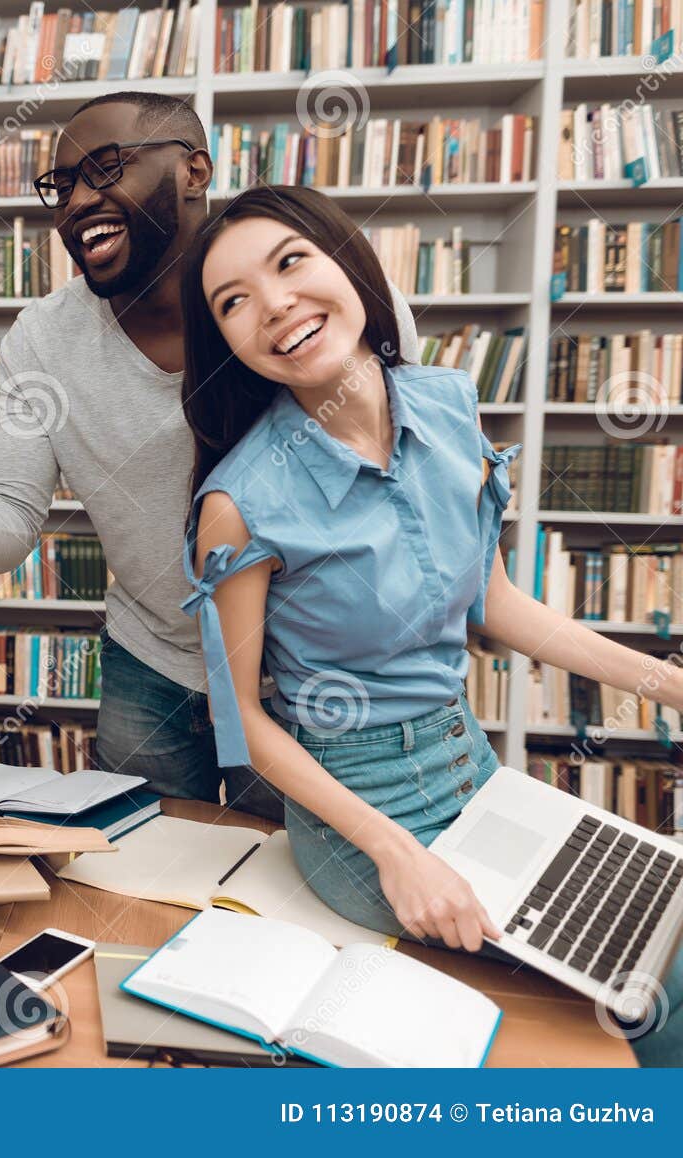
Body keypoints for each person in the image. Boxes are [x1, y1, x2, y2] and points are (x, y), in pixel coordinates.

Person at [179, 184, 682, 1066]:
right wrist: (396, 853)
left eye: (291, 262)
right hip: (356, 817)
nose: (276, 307)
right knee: (638, 1001)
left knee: (653, 921)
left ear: (347, 260)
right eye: (234, 302)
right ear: (226, 342)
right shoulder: (241, 500)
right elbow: (244, 726)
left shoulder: (448, 403)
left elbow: (496, 603)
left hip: (474, 768)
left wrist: (669, 683)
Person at [0, 91, 421, 822]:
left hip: (310, 673)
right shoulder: (42, 342)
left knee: (299, 880)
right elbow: (13, 516)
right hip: (151, 665)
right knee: (140, 870)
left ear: (194, 171)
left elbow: (400, 476)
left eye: (105, 168)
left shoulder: (313, 302)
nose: (79, 202)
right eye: (63, 186)